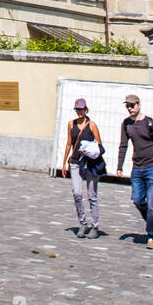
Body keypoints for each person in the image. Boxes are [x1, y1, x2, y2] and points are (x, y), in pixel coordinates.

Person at [116, 93, 153, 248]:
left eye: (132, 105)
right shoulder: (126, 124)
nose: (130, 108)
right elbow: (123, 145)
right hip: (137, 168)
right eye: (127, 106)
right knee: (137, 199)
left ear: (139, 105)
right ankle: (152, 220)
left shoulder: (150, 123)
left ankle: (152, 237)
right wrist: (119, 166)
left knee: (151, 204)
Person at [61, 97, 105, 238]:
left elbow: (99, 146)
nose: (79, 112)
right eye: (77, 109)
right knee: (77, 193)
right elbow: (69, 143)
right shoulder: (71, 124)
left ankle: (95, 226)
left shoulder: (92, 125)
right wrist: (64, 162)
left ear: (86, 110)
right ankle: (83, 223)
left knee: (92, 196)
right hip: (75, 162)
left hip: (90, 164)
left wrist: (87, 151)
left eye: (81, 109)